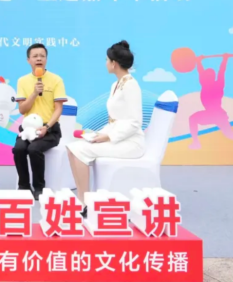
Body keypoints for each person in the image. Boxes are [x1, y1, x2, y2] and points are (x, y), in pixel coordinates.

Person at [66, 40, 145, 218]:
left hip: (131, 143)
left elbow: (135, 122)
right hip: (118, 137)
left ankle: (85, 202)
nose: (105, 63)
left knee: (79, 150)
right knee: (72, 148)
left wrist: (109, 137)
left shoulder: (131, 85)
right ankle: (82, 198)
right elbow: (115, 119)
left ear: (114, 63)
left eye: (107, 60)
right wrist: (99, 134)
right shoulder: (116, 85)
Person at [13, 43, 67, 200]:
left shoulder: (56, 80)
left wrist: (47, 127)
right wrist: (34, 93)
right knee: (18, 149)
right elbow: (22, 109)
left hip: (50, 129)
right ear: (28, 60)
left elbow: (58, 109)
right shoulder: (22, 81)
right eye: (35, 56)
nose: (39, 59)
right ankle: (24, 185)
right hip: (28, 129)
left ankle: (39, 187)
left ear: (46, 59)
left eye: (42, 56)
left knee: (34, 149)